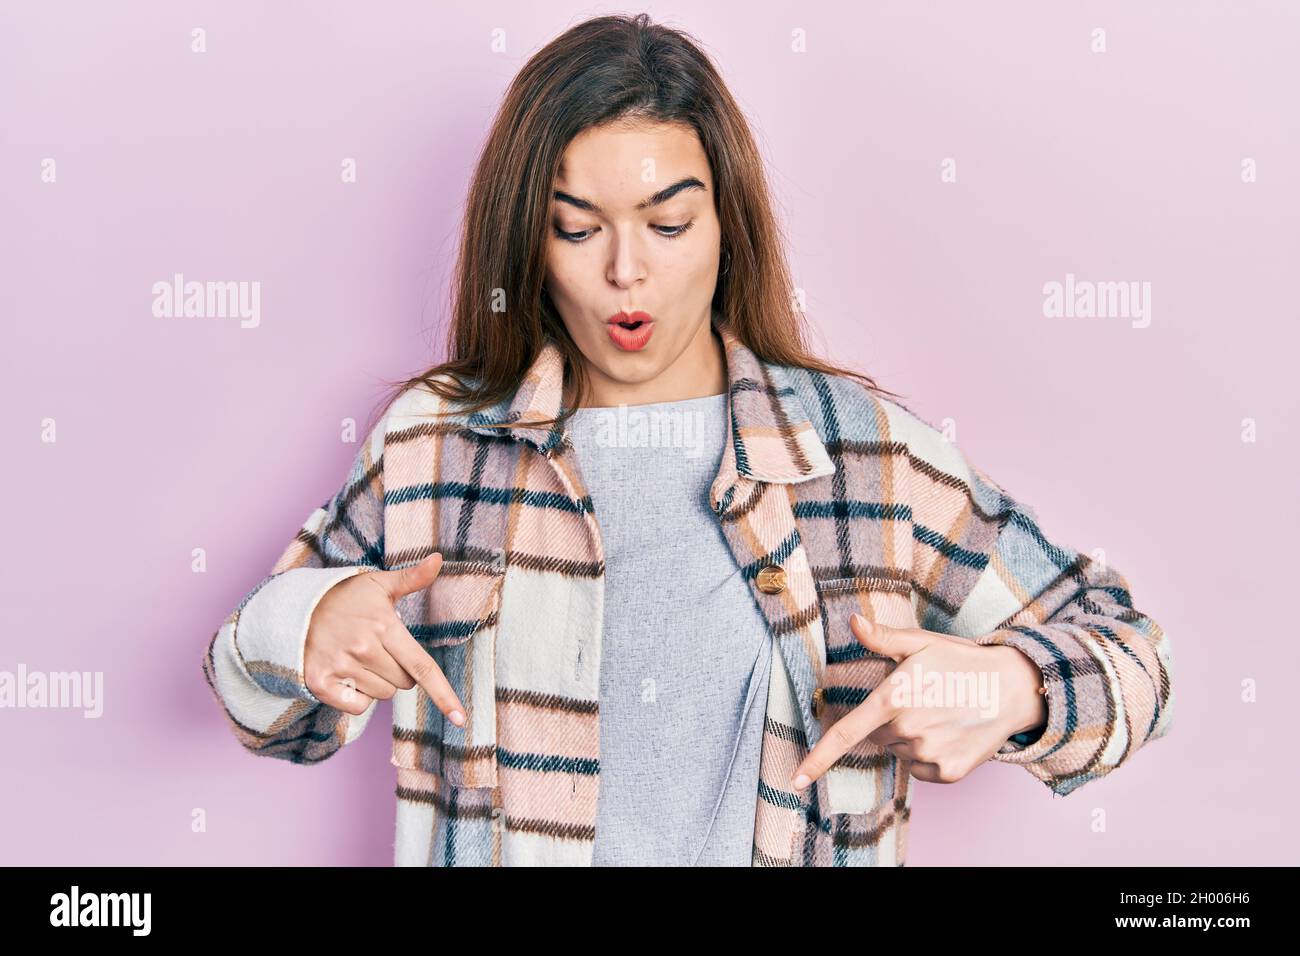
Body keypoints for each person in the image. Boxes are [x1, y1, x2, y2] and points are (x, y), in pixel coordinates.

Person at [201, 13, 1174, 867]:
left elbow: (1135, 656)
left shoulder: (862, 454)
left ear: (723, 224)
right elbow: (268, 716)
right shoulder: (435, 444)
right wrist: (302, 624)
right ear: (526, 242)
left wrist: (1015, 685)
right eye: (576, 230)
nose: (628, 271)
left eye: (668, 222)